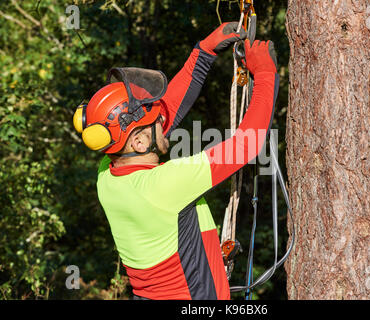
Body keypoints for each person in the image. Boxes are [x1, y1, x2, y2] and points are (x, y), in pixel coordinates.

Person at [72, 22, 279, 300]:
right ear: (139, 143)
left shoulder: (107, 174)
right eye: (155, 120)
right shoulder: (165, 184)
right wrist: (265, 74)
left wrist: (204, 52)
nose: (163, 119)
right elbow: (246, 145)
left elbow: (168, 109)